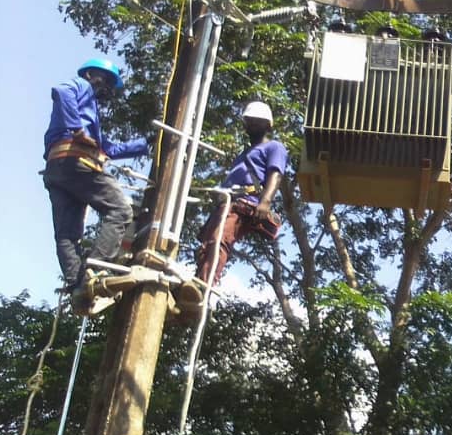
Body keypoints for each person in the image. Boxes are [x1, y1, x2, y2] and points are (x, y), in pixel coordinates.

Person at [43, 58, 152, 311]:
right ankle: (94, 269)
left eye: (110, 84)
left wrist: (145, 143)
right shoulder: (81, 86)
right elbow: (61, 91)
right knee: (120, 210)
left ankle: (78, 285)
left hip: (58, 169)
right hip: (77, 162)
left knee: (67, 234)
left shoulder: (90, 109)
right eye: (104, 79)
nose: (106, 87)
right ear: (91, 74)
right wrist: (77, 130)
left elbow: (108, 149)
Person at [177, 101, 287, 315]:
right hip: (228, 202)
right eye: (250, 121)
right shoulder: (244, 154)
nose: (253, 125)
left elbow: (276, 174)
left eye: (258, 122)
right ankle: (195, 289)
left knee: (219, 240)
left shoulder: (274, 147)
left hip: (245, 203)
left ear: (268, 126)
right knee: (206, 244)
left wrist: (265, 202)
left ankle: (203, 289)